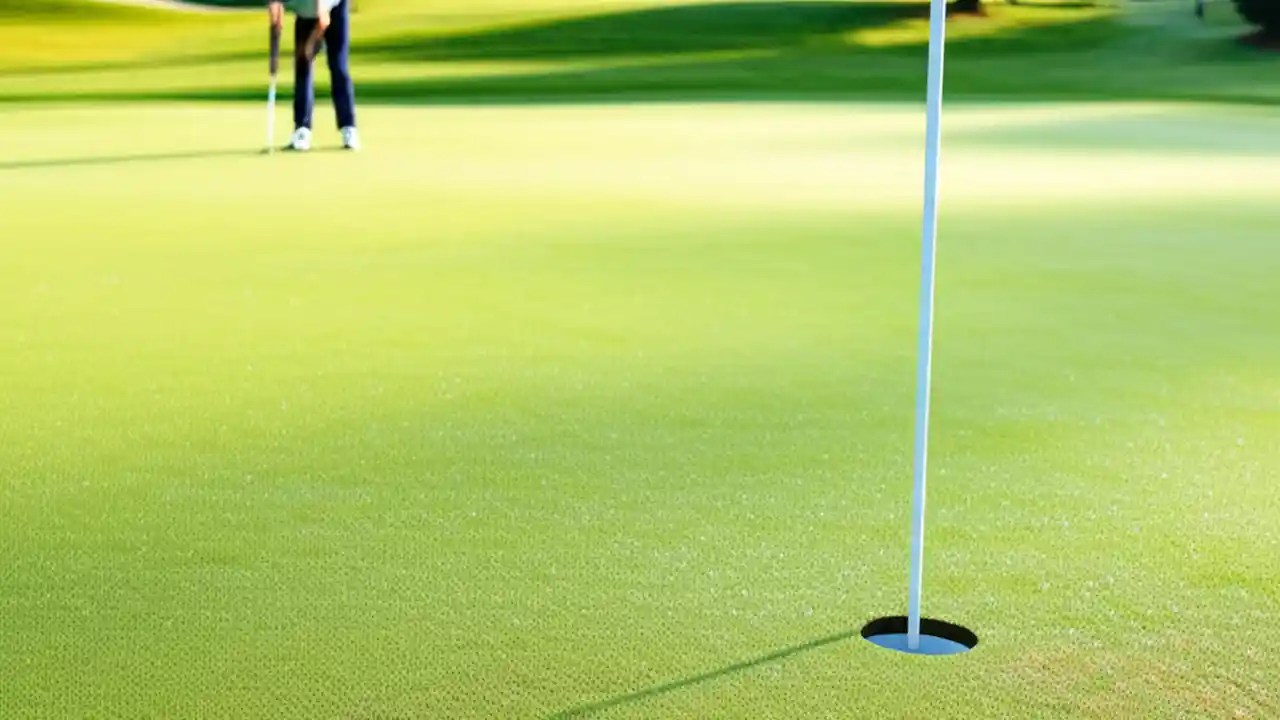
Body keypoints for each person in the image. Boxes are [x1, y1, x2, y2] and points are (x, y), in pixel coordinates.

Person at [267, 0, 360, 151]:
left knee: (338, 65)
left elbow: (323, 16)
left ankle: (349, 128)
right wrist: (275, 18)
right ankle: (302, 129)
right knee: (303, 65)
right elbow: (275, 10)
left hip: (334, 6)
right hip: (306, 11)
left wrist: (321, 16)